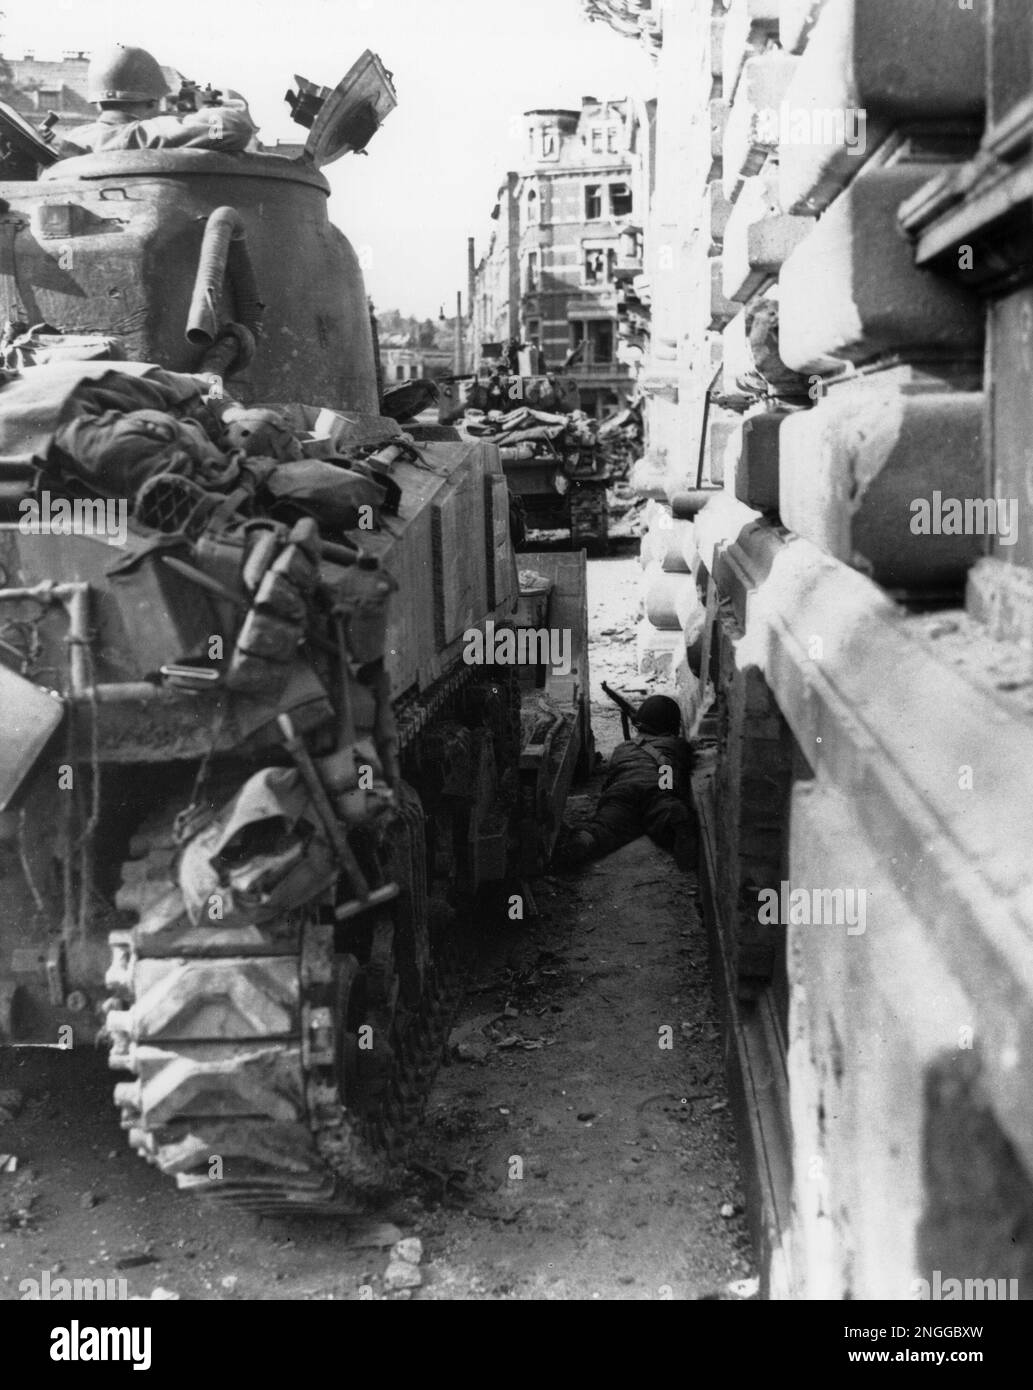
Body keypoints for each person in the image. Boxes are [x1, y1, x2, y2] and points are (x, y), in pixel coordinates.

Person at [555, 694, 698, 871]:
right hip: (659, 785)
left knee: (604, 826)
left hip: (623, 790)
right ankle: (679, 832)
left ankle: (585, 839)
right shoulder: (675, 744)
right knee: (670, 807)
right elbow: (686, 765)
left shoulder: (623, 748)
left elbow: (611, 779)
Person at [51, 43, 255, 157]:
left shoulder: (74, 139)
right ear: (152, 101)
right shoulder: (150, 134)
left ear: (97, 103)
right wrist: (214, 108)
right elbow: (231, 128)